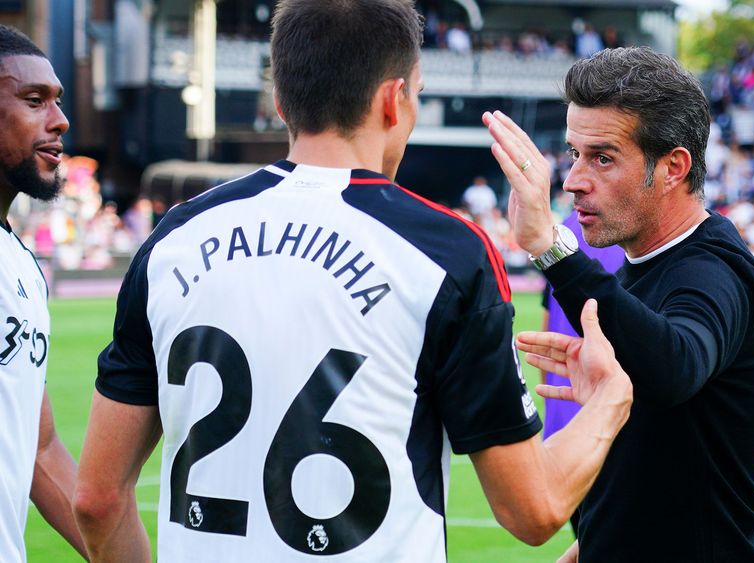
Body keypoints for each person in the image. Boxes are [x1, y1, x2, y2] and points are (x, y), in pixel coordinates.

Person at [71, 2, 633, 562]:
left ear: (280, 100)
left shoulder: (177, 235)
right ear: (395, 99)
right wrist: (613, 395)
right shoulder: (443, 251)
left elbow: (97, 500)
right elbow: (532, 510)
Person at [484, 46, 754, 561]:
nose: (574, 179)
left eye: (602, 157)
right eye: (574, 154)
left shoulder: (714, 270)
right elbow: (660, 454)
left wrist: (550, 247)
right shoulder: (641, 266)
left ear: (672, 168)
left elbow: (672, 367)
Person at [0, 24, 88, 562]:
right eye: (34, 101)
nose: (60, 121)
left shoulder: (21, 262)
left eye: (57, 101)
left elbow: (41, 448)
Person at [540, 212, 624, 439]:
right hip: (610, 402)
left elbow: (547, 317)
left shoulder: (563, 228)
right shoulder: (640, 233)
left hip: (563, 389)